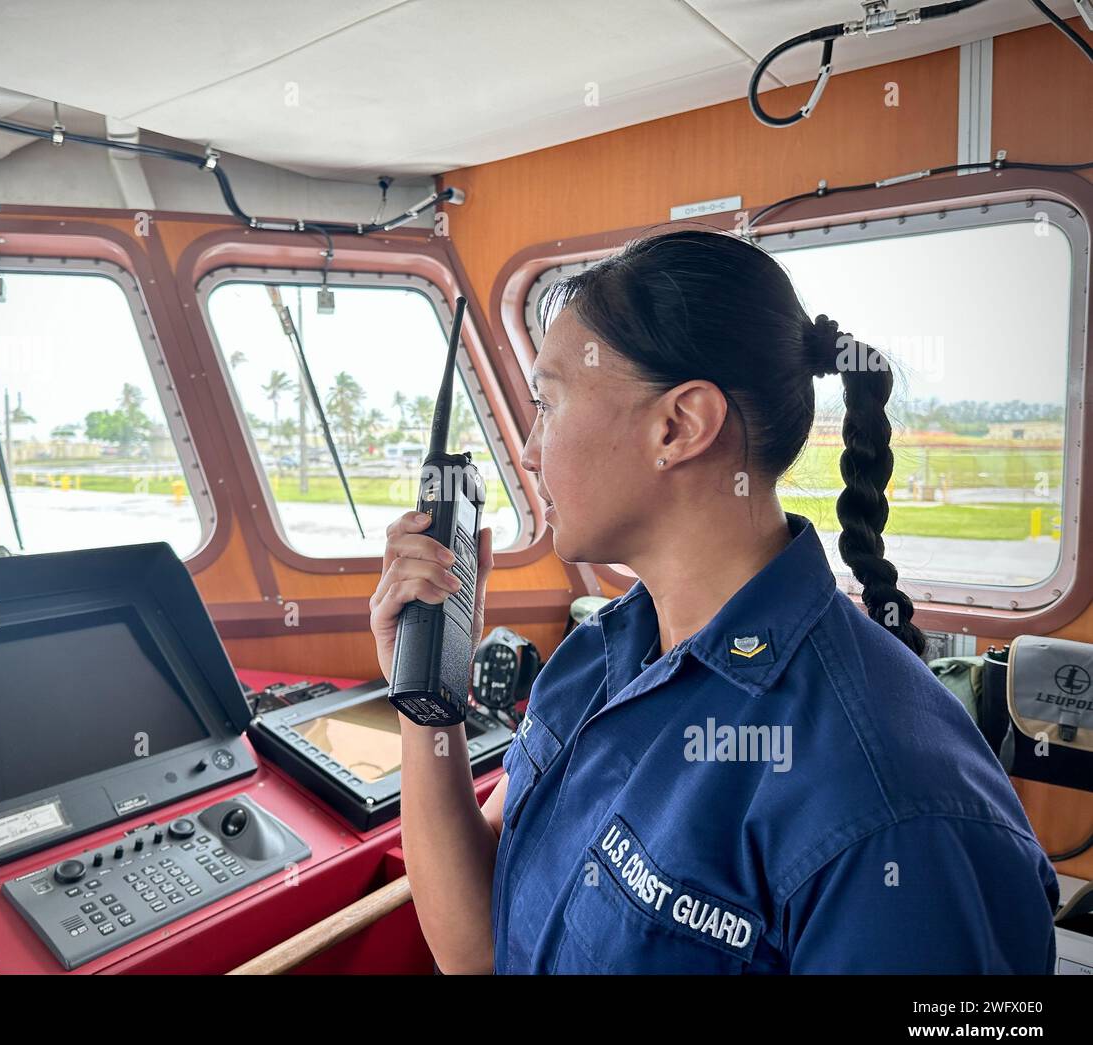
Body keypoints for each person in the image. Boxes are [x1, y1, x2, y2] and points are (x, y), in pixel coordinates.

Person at [368, 226, 1059, 974]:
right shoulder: (596, 660)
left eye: (549, 403)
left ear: (680, 425)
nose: (529, 451)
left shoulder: (897, 805)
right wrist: (428, 702)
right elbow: (478, 948)